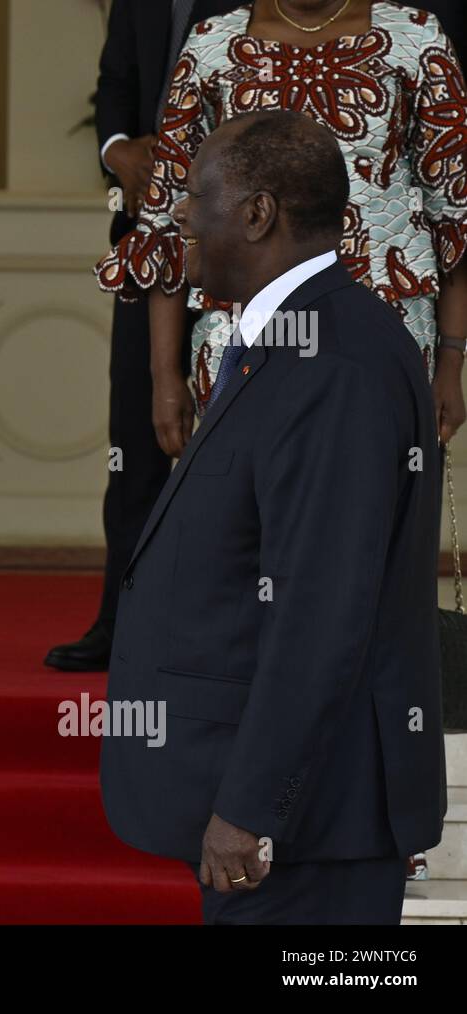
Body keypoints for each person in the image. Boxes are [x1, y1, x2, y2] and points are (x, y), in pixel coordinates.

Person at [100, 109, 446, 924]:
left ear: (257, 214)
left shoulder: (336, 362)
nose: (179, 214)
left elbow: (320, 609)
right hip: (290, 829)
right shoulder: (291, 339)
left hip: (307, 832)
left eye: (195, 196)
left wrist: (253, 806)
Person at [96, 0, 467, 448]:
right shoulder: (211, 44)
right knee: (244, 504)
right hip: (238, 327)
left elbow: (451, 212)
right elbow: (166, 224)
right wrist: (164, 377)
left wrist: (451, 358)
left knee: (369, 500)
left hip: (386, 323)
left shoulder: (417, 38)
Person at [46, 0, 244, 672]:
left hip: (247, 244)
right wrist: (118, 150)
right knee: (135, 437)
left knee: (236, 443)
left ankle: (217, 631)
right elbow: (116, 87)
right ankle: (121, 622)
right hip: (148, 244)